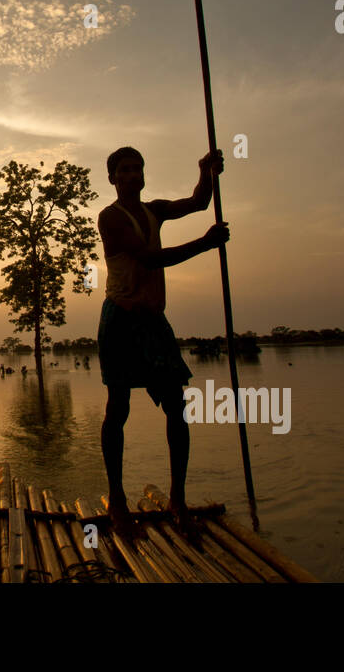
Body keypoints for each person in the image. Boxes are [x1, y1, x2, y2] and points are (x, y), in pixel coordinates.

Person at [97, 145, 228, 537]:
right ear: (113, 178)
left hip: (154, 321)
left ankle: (178, 500)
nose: (133, 175)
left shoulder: (154, 209)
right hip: (121, 318)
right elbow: (150, 259)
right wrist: (205, 244)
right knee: (117, 409)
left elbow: (198, 203)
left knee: (177, 405)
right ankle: (118, 503)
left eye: (138, 168)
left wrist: (206, 171)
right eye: (125, 170)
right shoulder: (110, 218)